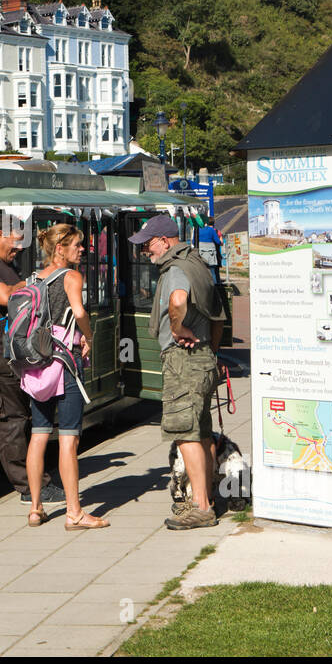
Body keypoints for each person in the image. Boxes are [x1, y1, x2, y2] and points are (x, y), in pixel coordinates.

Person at [129, 214, 226, 530]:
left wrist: (177, 326)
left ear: (164, 241)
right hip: (202, 360)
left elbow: (177, 300)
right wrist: (210, 350)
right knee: (202, 432)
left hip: (184, 361)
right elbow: (218, 318)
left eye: (148, 245)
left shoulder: (175, 270)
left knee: (185, 434)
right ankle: (206, 497)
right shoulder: (198, 264)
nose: (146, 252)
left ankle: (201, 506)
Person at [0, 223, 64, 506]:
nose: (19, 248)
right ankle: (30, 489)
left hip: (13, 352)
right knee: (10, 423)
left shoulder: (4, 263)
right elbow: (5, 297)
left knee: (23, 419)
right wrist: (31, 282)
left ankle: (36, 480)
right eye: (16, 241)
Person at [23, 224, 107, 530]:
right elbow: (80, 312)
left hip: (36, 364)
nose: (82, 250)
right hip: (66, 362)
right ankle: (74, 513)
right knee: (69, 439)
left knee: (38, 435)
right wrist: (89, 336)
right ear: (61, 249)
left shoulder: (32, 280)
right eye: (76, 245)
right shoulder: (72, 277)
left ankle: (35, 508)